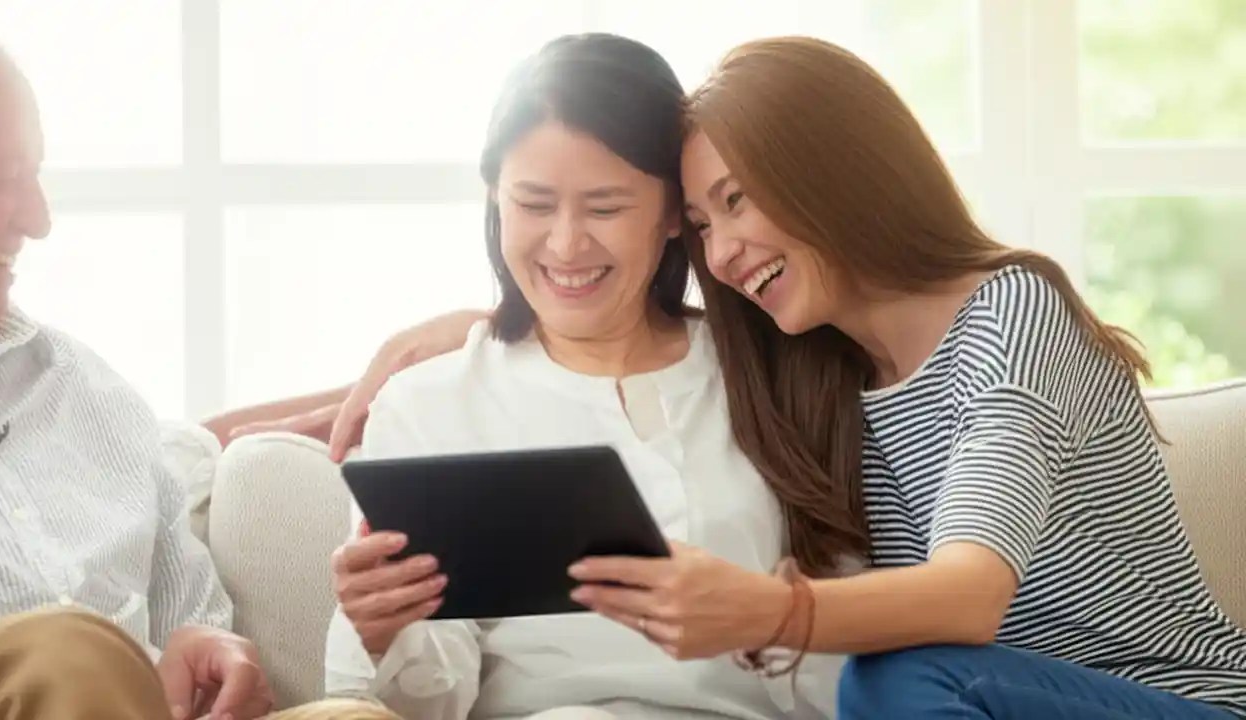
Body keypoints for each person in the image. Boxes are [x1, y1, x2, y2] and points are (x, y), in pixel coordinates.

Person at [330, 36, 1246, 720]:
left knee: (900, 673)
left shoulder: (964, 328)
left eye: (736, 202)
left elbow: (967, 597)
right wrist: (485, 329)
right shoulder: (825, 364)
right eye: (707, 221)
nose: (725, 251)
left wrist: (767, 609)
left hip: (1158, 698)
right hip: (996, 698)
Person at [324, 33, 839, 720]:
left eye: (605, 208)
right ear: (494, 199)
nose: (566, 244)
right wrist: (384, 629)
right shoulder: (430, 405)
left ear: (672, 215)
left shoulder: (772, 368)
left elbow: (849, 618)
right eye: (534, 204)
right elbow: (432, 702)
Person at [0, 21, 395, 720]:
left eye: (36, 175)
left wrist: (204, 657)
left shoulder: (81, 389)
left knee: (354, 717)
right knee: (68, 654)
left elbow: (194, 627)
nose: (39, 221)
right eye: (1, 179)